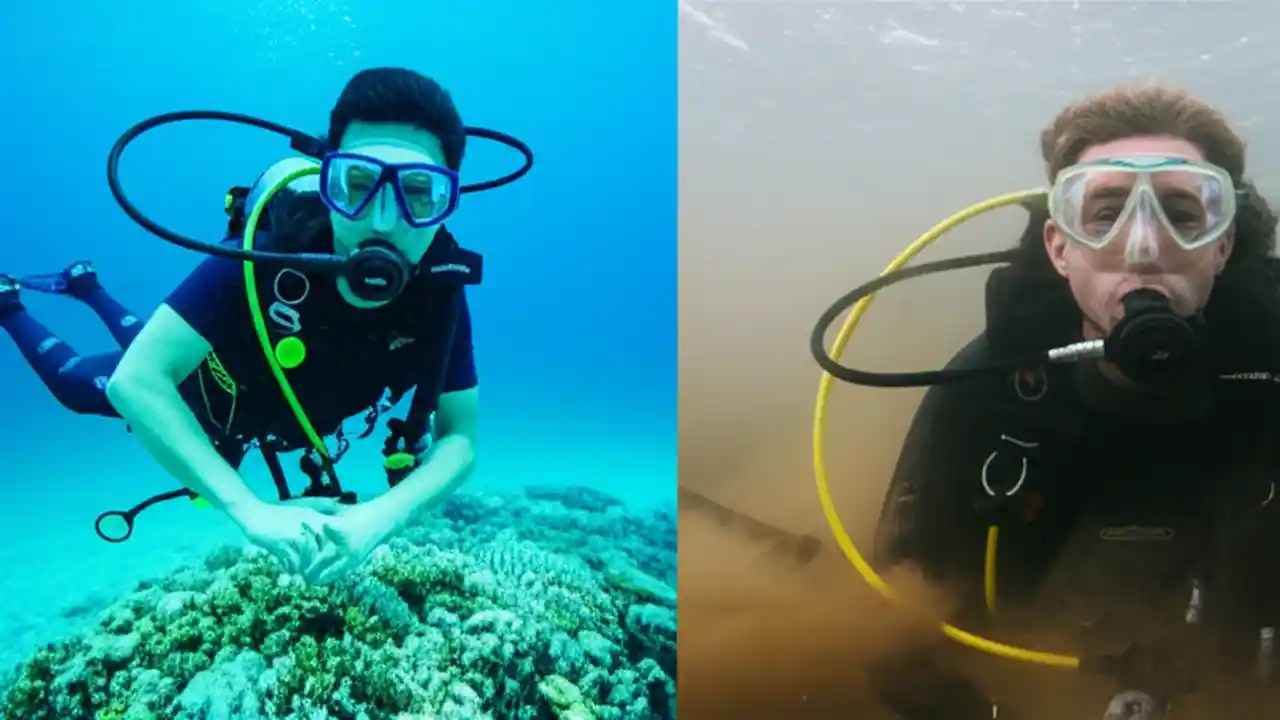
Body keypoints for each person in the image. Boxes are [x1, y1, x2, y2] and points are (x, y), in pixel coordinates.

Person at [868, 84, 1280, 718]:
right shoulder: (989, 392)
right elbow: (896, 626)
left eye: (1184, 214)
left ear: (1222, 246)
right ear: (1059, 248)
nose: (1144, 247)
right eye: (1105, 211)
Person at [0, 67, 481, 586]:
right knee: (79, 385)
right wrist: (249, 510)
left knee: (150, 337)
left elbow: (460, 437)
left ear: (445, 203)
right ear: (327, 182)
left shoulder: (438, 297)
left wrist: (381, 515)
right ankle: (10, 306)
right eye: (358, 186)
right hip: (203, 391)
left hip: (254, 415)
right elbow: (137, 380)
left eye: (418, 193)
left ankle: (87, 286)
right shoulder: (268, 258)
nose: (384, 222)